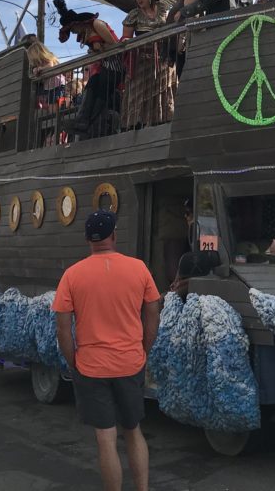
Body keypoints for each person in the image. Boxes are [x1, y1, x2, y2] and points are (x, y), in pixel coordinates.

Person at [53, 210, 160, 491]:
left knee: (105, 438)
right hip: (130, 362)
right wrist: (143, 350)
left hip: (91, 365)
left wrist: (73, 361)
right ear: (114, 235)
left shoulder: (72, 275)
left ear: (88, 239)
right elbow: (153, 314)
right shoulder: (139, 269)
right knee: (133, 431)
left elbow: (63, 328)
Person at [54, 0, 123, 139]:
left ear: (77, 23)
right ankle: (82, 120)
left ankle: (85, 123)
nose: (72, 32)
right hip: (105, 65)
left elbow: (115, 46)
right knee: (92, 84)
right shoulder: (85, 33)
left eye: (72, 28)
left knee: (101, 85)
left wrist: (100, 48)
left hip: (117, 65)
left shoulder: (97, 24)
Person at [120, 0, 176, 130]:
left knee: (163, 89)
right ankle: (136, 125)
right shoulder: (134, 14)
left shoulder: (163, 8)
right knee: (139, 93)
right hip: (141, 61)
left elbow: (171, 26)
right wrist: (125, 41)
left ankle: (162, 121)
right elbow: (126, 37)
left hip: (163, 59)